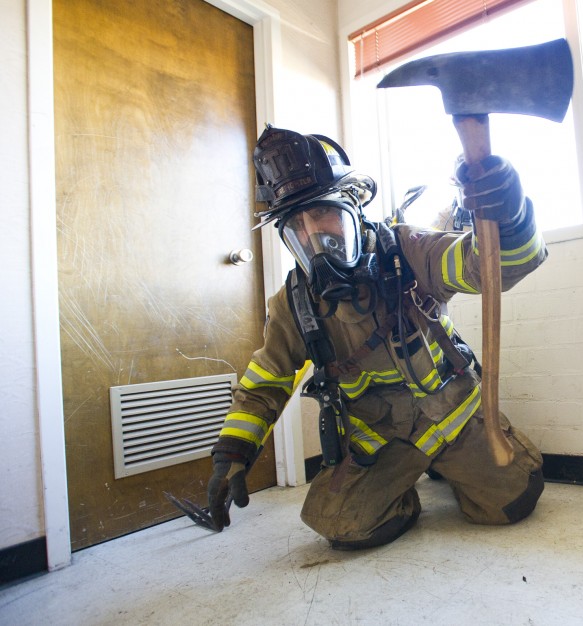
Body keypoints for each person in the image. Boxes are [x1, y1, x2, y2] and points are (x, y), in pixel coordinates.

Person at [207, 125, 548, 549]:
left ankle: (454, 465)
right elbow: (265, 384)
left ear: (353, 206)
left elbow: (490, 266)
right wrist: (233, 453)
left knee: (514, 499)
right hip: (383, 441)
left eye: (323, 213)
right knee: (342, 528)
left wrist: (509, 215)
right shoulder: (294, 304)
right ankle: (400, 491)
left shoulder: (409, 250)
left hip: (453, 420)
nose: (315, 235)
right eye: (297, 225)